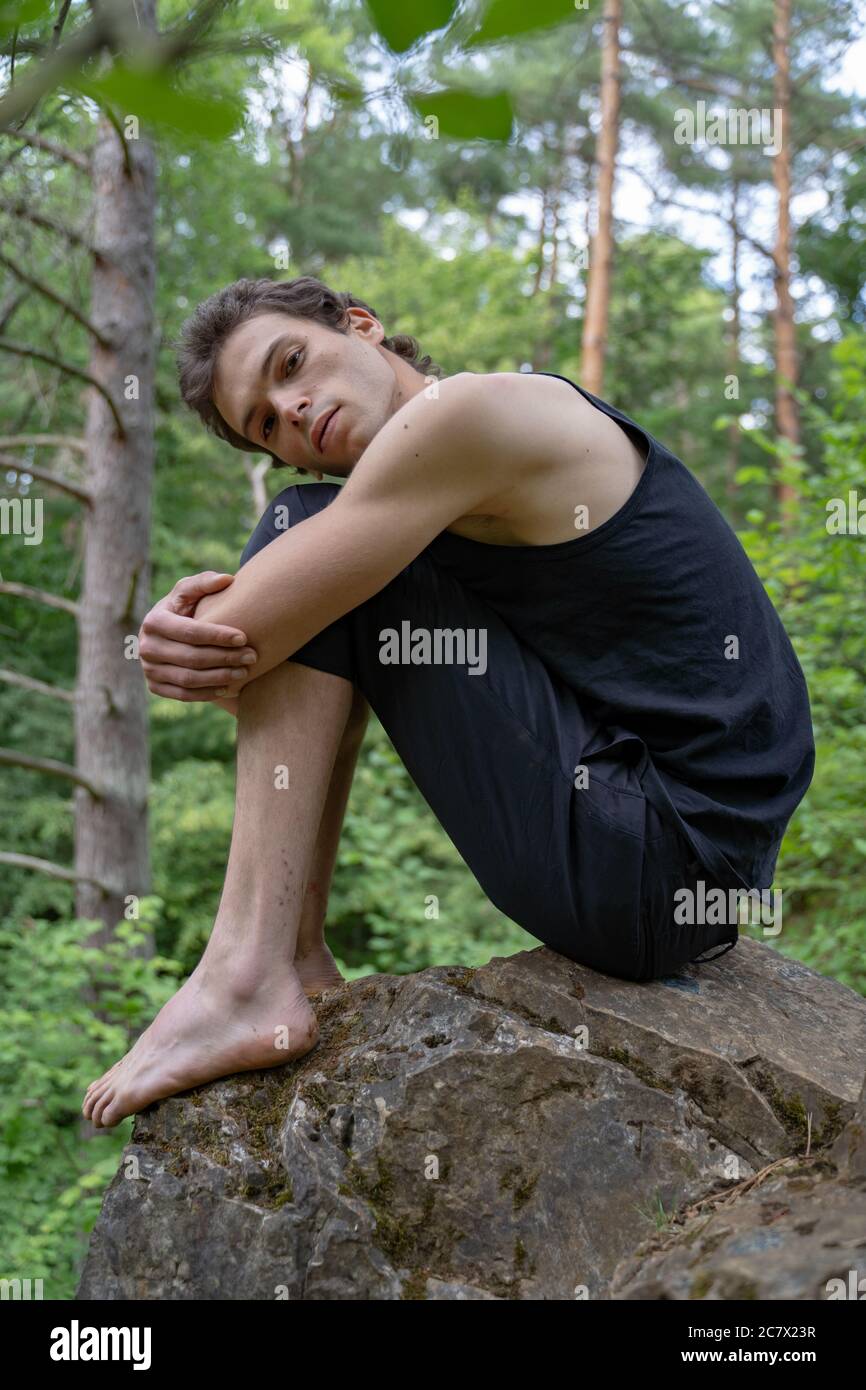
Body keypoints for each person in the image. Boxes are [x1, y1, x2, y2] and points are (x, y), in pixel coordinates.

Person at [81, 276, 815, 1129]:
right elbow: (259, 638)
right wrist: (215, 620)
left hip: (656, 863)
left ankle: (247, 974)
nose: (295, 411)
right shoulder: (416, 503)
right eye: (268, 426)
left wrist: (185, 623)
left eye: (292, 364)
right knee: (326, 558)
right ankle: (290, 954)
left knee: (302, 536)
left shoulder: (465, 417)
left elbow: (239, 644)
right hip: (670, 860)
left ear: (362, 324)